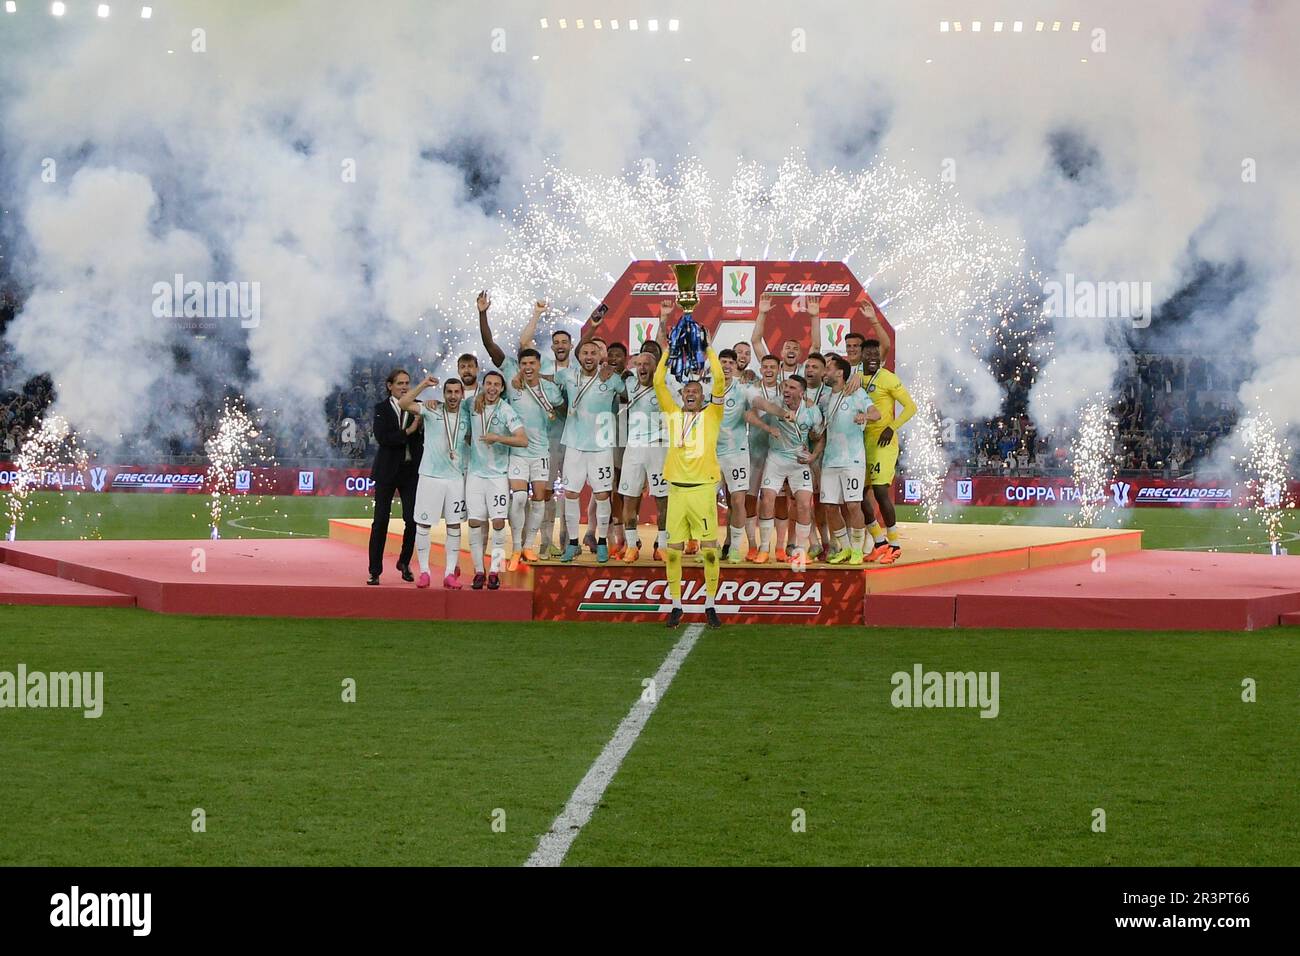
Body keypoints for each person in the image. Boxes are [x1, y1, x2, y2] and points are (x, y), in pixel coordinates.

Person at [478, 295, 567, 569]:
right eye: (524, 364)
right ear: (520, 365)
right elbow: (490, 345)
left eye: (532, 364)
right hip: (516, 452)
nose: (527, 368)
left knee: (539, 499)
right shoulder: (510, 372)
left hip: (541, 453)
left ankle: (529, 547)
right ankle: (516, 547)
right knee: (518, 499)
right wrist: (482, 314)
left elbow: (564, 411)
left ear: (539, 365)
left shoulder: (550, 388)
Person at [653, 314, 727, 629]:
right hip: (677, 492)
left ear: (702, 395)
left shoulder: (713, 414)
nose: (692, 394)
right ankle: (676, 605)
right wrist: (668, 352)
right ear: (682, 396)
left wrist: (709, 349)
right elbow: (658, 382)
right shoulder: (672, 413)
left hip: (702, 491)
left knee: (709, 552)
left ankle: (710, 604)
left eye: (697, 390)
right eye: (688, 391)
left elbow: (721, 381)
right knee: (673, 553)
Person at [715, 347, 790, 564]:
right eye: (724, 362)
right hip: (714, 454)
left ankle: (737, 549)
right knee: (710, 501)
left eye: (731, 362)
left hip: (742, 453)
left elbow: (761, 404)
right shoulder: (707, 386)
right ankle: (710, 547)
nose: (727, 366)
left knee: (740, 500)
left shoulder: (745, 389)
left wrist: (781, 413)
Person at [556, 338, 626, 562]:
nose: (588, 357)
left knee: (603, 495)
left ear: (600, 357)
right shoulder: (567, 375)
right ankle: (573, 544)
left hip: (601, 448)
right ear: (579, 356)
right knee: (571, 494)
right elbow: (545, 381)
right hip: (574, 446)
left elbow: (629, 394)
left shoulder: (612, 379)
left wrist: (618, 372)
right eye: (585, 352)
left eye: (593, 353)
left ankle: (603, 542)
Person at [398, 375, 469, 589]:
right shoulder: (432, 409)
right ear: (443, 394)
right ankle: (425, 572)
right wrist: (423, 386)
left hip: (456, 478)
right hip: (430, 476)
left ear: (462, 394)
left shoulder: (468, 414)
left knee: (454, 525)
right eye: (449, 392)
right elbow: (403, 403)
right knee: (423, 524)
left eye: (457, 392)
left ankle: (449, 574)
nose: (453, 396)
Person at [464, 371, 527, 589]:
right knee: (474, 523)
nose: (491, 388)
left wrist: (498, 438)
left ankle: (495, 571)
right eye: (488, 384)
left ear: (501, 388)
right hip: (474, 476)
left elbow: (523, 440)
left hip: (497, 477)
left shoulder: (506, 410)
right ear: (483, 386)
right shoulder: (471, 404)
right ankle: (479, 572)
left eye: (496, 385)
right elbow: (450, 410)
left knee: (498, 523)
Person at [816, 355, 881, 564]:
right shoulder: (825, 398)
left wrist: (865, 417)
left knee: (853, 505)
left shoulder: (857, 393)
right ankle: (844, 548)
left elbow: (876, 413)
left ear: (839, 373)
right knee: (830, 507)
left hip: (852, 460)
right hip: (829, 461)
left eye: (828, 368)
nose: (824, 371)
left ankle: (857, 550)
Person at [859, 335, 915, 564]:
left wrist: (891, 428)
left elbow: (911, 407)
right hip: (862, 444)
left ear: (880, 358)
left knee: (881, 491)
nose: (872, 358)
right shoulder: (856, 379)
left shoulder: (889, 378)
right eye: (868, 354)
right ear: (861, 356)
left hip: (884, 442)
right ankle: (879, 542)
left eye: (875, 354)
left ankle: (895, 544)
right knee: (858, 495)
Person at [756, 375, 823, 565]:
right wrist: (771, 423)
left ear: (802, 393)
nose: (786, 390)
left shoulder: (812, 411)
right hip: (776, 457)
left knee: (803, 503)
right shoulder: (776, 402)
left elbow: (820, 436)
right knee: (767, 498)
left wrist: (813, 455)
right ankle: (763, 548)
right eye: (785, 386)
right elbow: (755, 408)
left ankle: (800, 550)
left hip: (799, 460)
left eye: (792, 388)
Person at [367, 368, 423, 585]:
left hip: (410, 473)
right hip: (387, 472)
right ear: (390, 386)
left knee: (412, 520)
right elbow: (383, 438)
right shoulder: (381, 409)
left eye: (407, 383)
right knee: (380, 521)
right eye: (400, 383)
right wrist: (408, 432)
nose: (404, 387)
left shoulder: (417, 406)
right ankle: (374, 570)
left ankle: (404, 561)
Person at [617, 350, 668, 562]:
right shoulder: (628, 384)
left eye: (647, 364)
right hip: (634, 448)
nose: (643, 367)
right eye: (639, 364)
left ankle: (662, 546)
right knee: (629, 498)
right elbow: (611, 372)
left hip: (659, 448)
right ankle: (631, 546)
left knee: (664, 500)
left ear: (655, 368)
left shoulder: (665, 386)